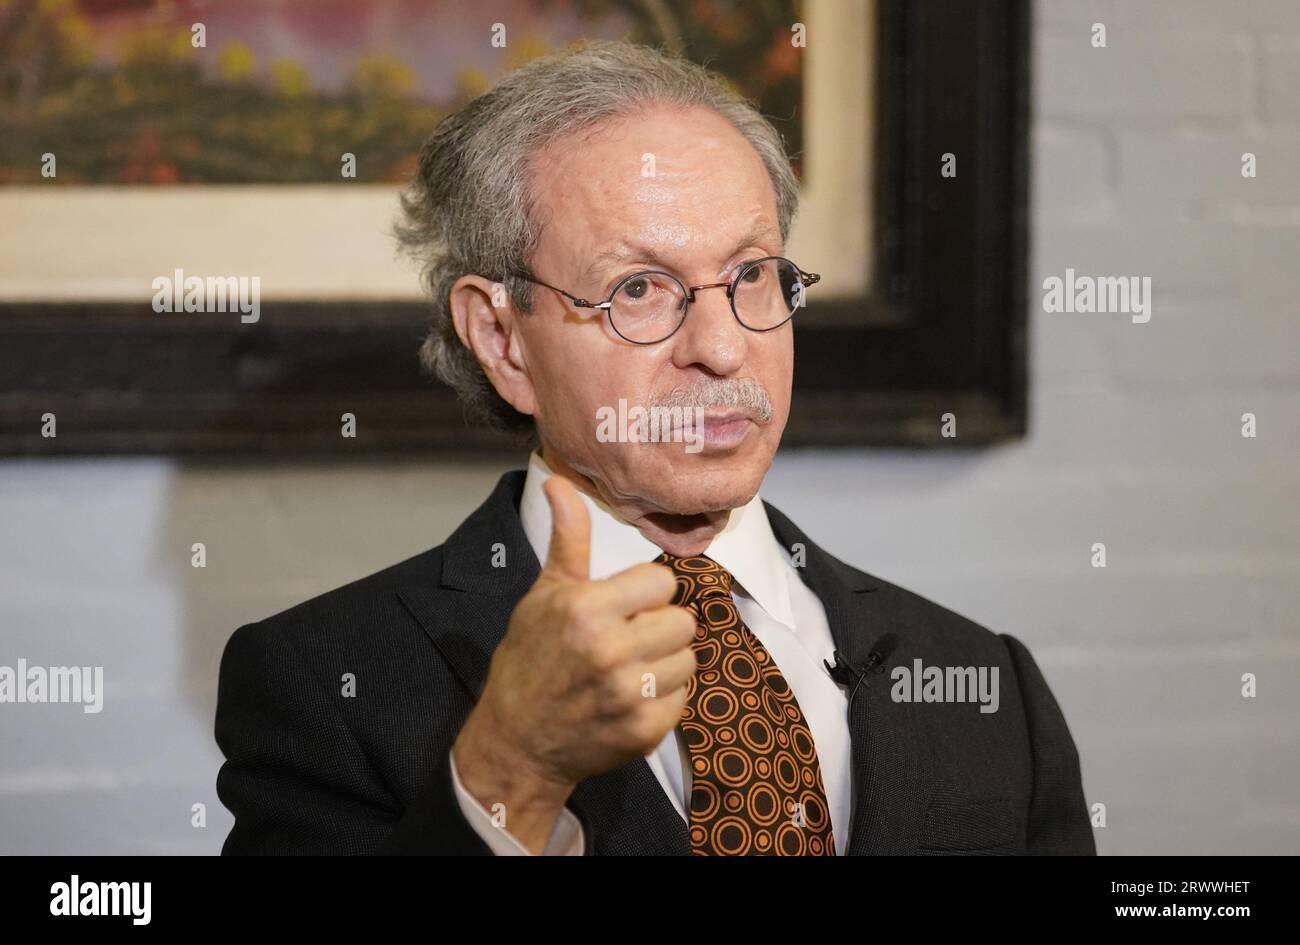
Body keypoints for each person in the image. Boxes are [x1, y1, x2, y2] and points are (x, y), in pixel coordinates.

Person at [214, 40, 1094, 856]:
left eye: (752, 274)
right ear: (501, 338)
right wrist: (510, 772)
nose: (721, 346)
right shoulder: (326, 679)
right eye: (640, 288)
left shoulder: (983, 681)